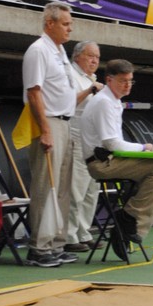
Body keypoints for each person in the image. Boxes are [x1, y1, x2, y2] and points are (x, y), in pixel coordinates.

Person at [80, 59, 153, 258]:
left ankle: (131, 222)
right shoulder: (104, 102)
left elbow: (114, 143)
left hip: (109, 160)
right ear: (109, 80)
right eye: (123, 81)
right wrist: (143, 148)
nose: (128, 85)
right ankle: (129, 219)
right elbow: (112, 143)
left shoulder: (113, 102)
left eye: (130, 81)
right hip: (102, 163)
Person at [22, 1, 87, 267]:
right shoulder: (39, 50)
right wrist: (45, 130)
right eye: (65, 24)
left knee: (62, 187)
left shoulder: (59, 51)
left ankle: (56, 243)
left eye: (71, 24)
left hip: (66, 122)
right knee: (45, 185)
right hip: (49, 122)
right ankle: (39, 247)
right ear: (50, 24)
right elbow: (34, 92)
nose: (70, 29)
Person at [66, 41, 103, 252]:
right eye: (90, 56)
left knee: (91, 191)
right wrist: (90, 90)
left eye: (97, 57)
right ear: (78, 56)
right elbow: (67, 104)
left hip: (93, 143)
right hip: (76, 139)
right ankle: (69, 236)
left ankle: (84, 232)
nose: (94, 60)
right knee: (76, 190)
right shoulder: (70, 74)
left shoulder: (92, 78)